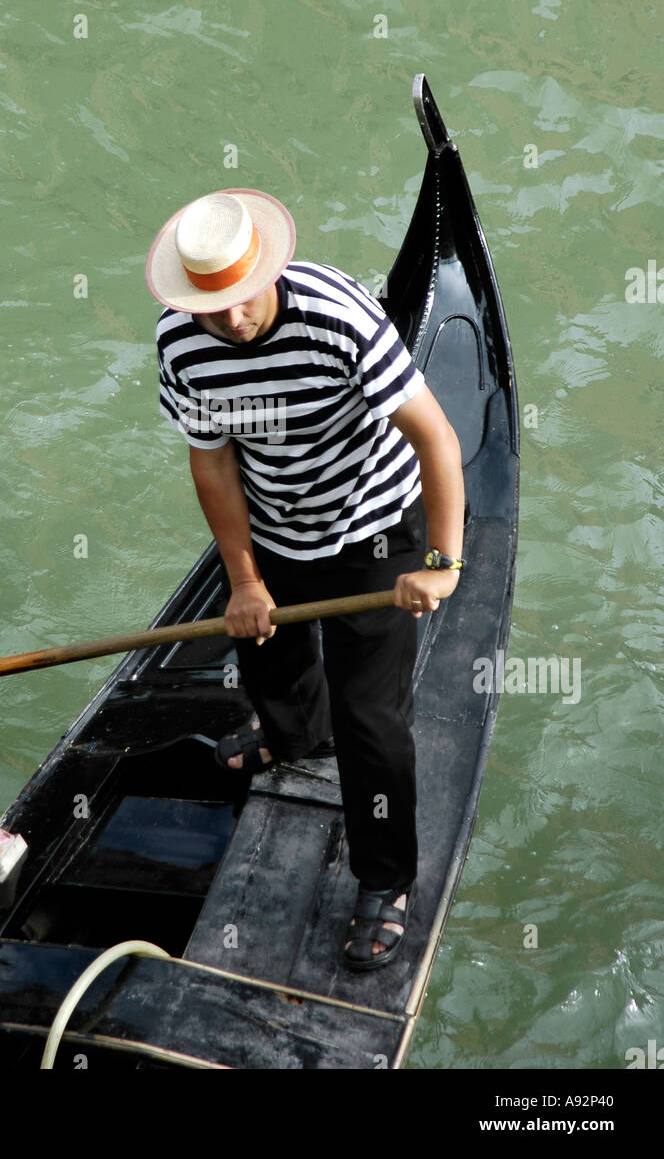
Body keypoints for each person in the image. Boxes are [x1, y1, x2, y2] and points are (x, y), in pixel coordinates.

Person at [145, 188, 465, 970]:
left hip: (374, 529)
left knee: (370, 720)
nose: (229, 322)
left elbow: (437, 440)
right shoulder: (181, 344)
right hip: (275, 526)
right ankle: (293, 736)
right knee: (268, 658)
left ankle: (386, 881)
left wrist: (444, 564)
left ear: (268, 269)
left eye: (240, 301)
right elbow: (213, 461)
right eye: (209, 308)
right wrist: (244, 579)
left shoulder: (341, 315)